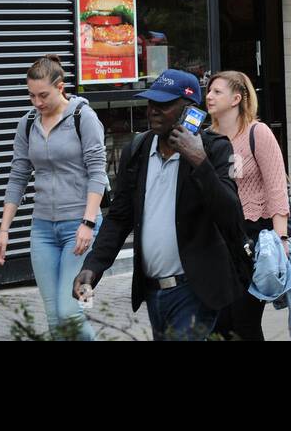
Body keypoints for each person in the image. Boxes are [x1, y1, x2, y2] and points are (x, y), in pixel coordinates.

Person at [73, 69, 248, 341]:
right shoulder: (139, 149)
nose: (153, 110)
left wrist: (199, 162)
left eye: (164, 105)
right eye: (150, 102)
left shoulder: (214, 149)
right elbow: (120, 218)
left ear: (189, 109)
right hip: (153, 292)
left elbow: (231, 216)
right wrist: (93, 266)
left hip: (194, 290)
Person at [0, 54, 107, 340]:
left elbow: (97, 173)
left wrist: (88, 223)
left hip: (79, 228)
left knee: (70, 312)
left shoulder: (84, 118)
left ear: (61, 86)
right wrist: (4, 230)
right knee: (54, 317)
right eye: (31, 95)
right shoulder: (28, 123)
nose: (37, 102)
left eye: (43, 95)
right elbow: (18, 175)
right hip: (42, 229)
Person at [206, 70, 290, 341]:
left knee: (245, 320)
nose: (209, 96)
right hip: (218, 240)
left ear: (236, 98)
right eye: (208, 91)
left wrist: (282, 241)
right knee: (219, 323)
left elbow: (277, 187)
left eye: (217, 91)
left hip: (254, 239)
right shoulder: (204, 138)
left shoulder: (258, 133)